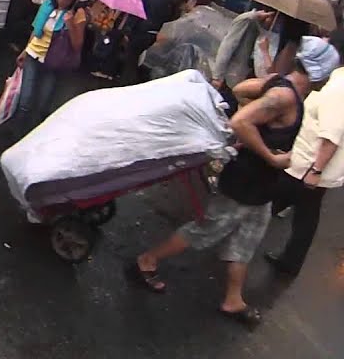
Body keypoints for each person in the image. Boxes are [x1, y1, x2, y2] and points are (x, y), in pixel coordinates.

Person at [131, 38, 339, 327]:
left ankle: (233, 300)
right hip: (245, 181)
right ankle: (147, 260)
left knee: (246, 240)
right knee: (205, 230)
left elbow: (241, 90)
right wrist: (270, 155)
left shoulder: (283, 85)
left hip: (262, 187)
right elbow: (240, 121)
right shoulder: (285, 96)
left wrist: (261, 135)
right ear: (319, 74)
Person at [265, 54, 344, 277]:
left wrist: (316, 170)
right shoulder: (335, 84)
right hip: (309, 166)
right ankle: (290, 262)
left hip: (305, 166)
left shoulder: (337, 89)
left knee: (268, 201)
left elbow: (332, 135)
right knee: (304, 214)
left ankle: (236, 240)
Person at [11, 0, 87, 132]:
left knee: (44, 103)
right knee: (25, 99)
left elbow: (77, 45)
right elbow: (36, 30)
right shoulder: (47, 7)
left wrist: (71, 24)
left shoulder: (78, 15)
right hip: (34, 54)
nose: (62, 0)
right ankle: (17, 134)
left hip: (55, 62)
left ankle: (37, 134)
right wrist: (25, 51)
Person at [124, 0, 177, 81]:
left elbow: (135, 12)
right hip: (157, 36)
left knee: (131, 64)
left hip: (139, 33)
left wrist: (127, 29)